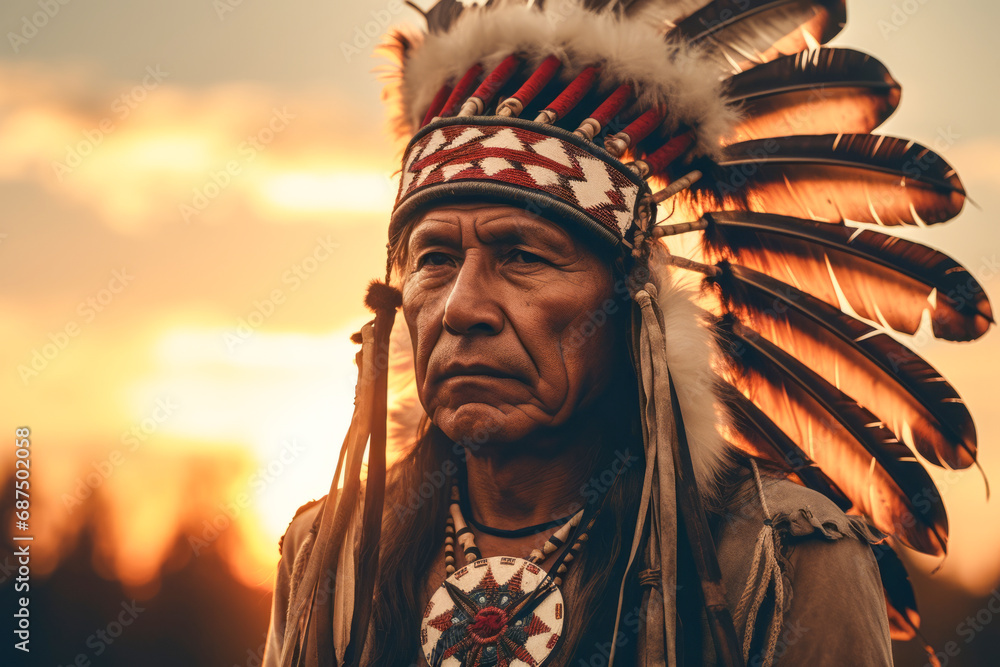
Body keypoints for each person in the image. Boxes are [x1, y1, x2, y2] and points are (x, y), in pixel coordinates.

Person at [264, 1, 990, 666]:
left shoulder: (779, 559)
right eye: (435, 260)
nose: (461, 307)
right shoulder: (332, 555)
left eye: (521, 256)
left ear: (634, 305)